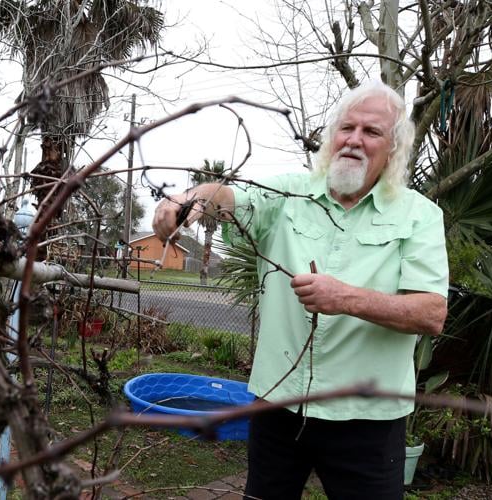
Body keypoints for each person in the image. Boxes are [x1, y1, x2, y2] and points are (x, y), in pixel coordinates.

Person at [152, 81, 449, 499]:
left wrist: (346, 299)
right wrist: (187, 199)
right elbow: (230, 198)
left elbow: (430, 313)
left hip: (368, 418)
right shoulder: (288, 195)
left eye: (372, 132)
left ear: (394, 148)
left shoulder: (419, 215)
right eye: (347, 128)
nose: (354, 140)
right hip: (278, 405)